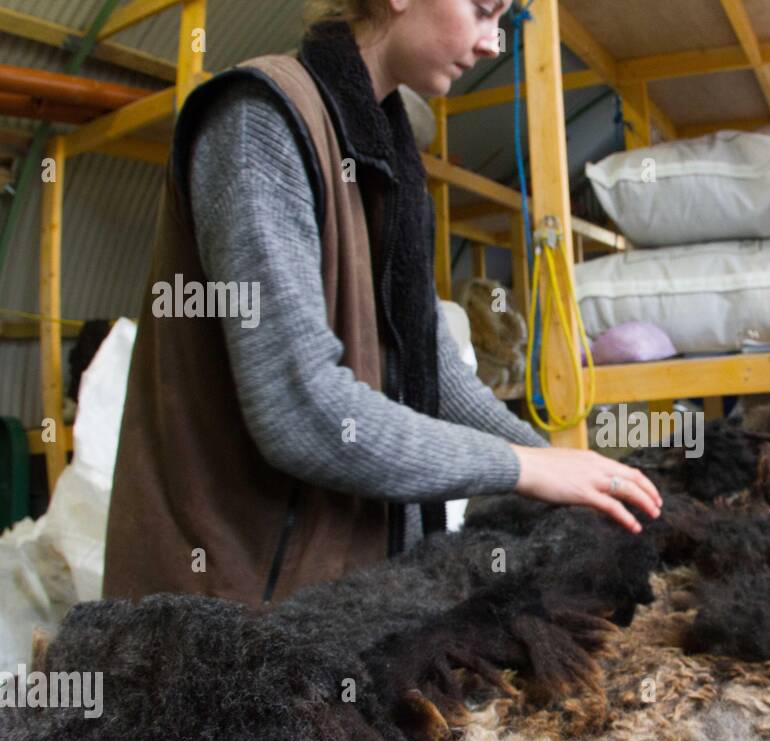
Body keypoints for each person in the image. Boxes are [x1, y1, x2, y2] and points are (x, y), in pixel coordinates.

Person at [103, 0, 660, 605]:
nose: (492, 44)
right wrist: (520, 468)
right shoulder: (256, 123)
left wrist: (563, 468)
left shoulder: (388, 156)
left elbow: (436, 375)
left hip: (343, 592)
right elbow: (301, 409)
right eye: (481, 11)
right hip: (230, 609)